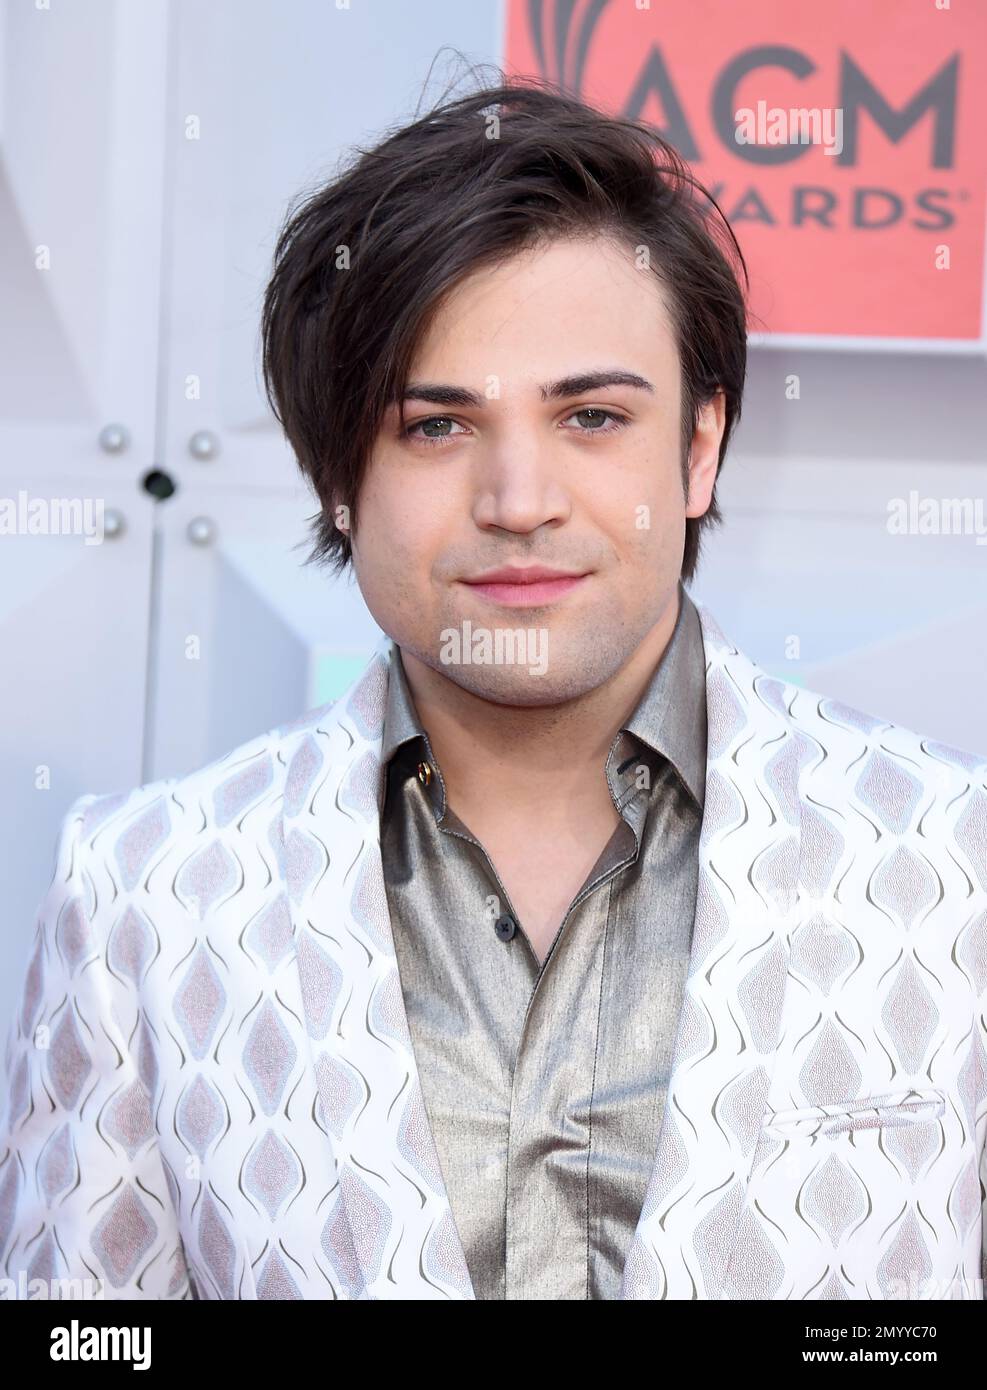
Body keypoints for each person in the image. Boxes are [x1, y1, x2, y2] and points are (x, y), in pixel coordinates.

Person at [1, 76, 985, 1302]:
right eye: (437, 428)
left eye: (590, 416)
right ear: (334, 474)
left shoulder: (952, 863)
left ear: (697, 448)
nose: (520, 500)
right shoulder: (149, 890)